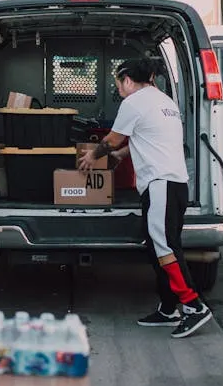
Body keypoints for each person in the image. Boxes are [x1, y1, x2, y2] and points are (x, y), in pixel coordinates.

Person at [79, 58, 212, 339]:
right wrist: (121, 155)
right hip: (175, 184)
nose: (120, 91)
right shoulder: (164, 102)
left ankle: (193, 306)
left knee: (164, 248)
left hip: (160, 184)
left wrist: (93, 155)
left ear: (127, 80)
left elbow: (113, 139)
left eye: (119, 85)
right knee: (157, 247)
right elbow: (150, 139)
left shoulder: (134, 102)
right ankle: (167, 308)